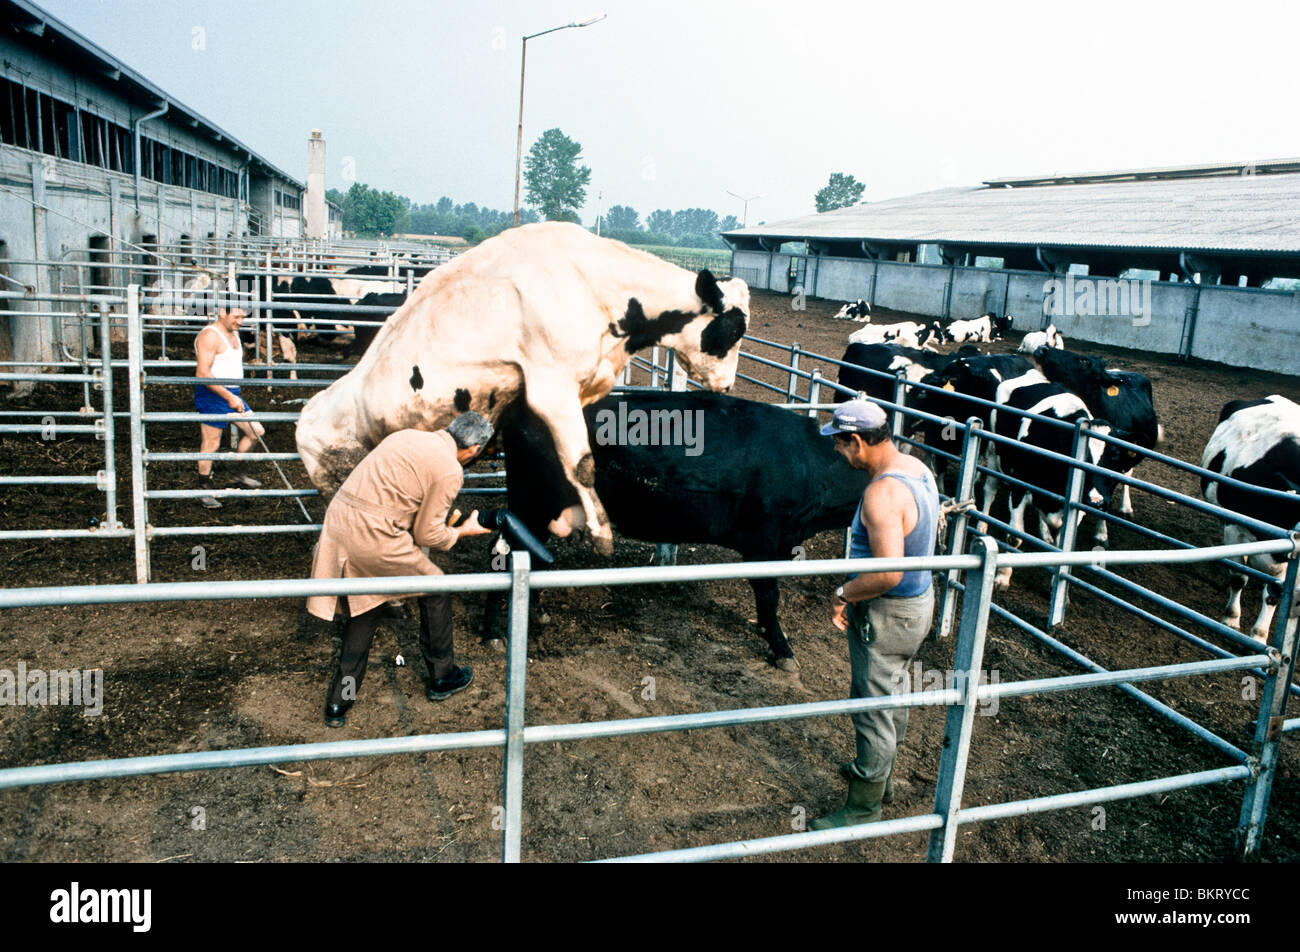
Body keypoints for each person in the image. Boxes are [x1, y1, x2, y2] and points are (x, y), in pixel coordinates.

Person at [306, 414, 495, 728]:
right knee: (435, 588)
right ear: (474, 450)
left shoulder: (407, 435)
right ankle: (443, 676)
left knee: (367, 603)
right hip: (373, 534)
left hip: (339, 521)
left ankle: (339, 701)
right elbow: (427, 534)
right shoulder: (450, 469)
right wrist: (463, 531)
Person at [812, 398, 939, 829]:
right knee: (893, 691)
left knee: (872, 709)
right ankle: (879, 776)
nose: (836, 450)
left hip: (887, 612)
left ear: (857, 441)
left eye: (839, 442)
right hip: (917, 604)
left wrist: (843, 593)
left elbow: (886, 573)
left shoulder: (882, 493)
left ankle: (863, 807)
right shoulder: (917, 468)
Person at [193, 304, 263, 509]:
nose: (240, 322)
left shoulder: (234, 332)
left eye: (243, 317)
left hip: (232, 393)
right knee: (211, 443)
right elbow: (202, 373)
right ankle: (204, 489)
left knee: (256, 432)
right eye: (236, 317)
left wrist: (233, 394)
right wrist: (227, 396)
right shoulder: (210, 335)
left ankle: (237, 472)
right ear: (222, 313)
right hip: (213, 393)